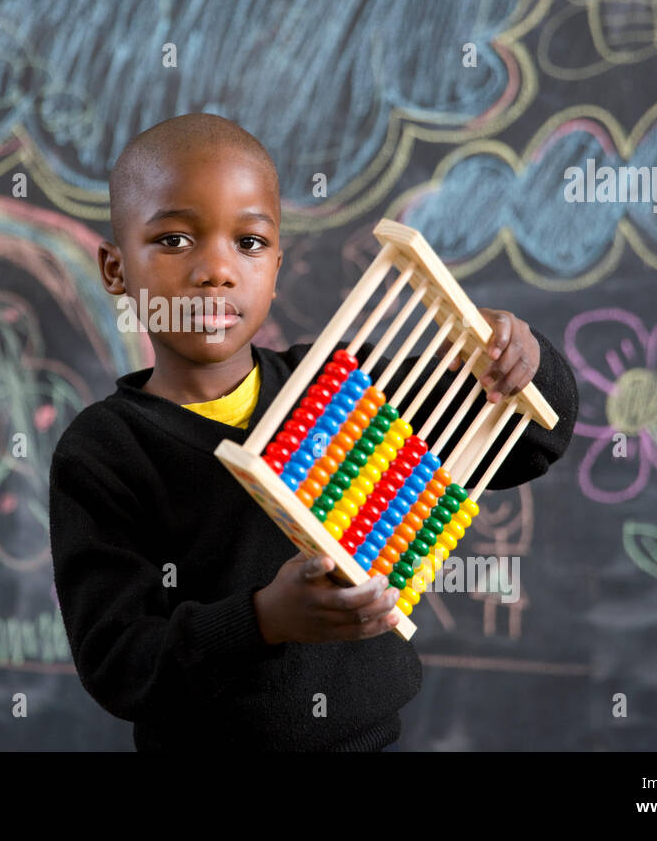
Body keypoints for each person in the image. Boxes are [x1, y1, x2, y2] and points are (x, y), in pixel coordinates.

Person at [48, 113, 579, 751]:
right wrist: (262, 622)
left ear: (275, 265)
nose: (216, 270)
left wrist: (518, 357)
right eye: (173, 240)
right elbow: (120, 663)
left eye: (248, 243)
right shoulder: (104, 452)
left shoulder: (342, 392)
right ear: (114, 270)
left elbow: (532, 439)